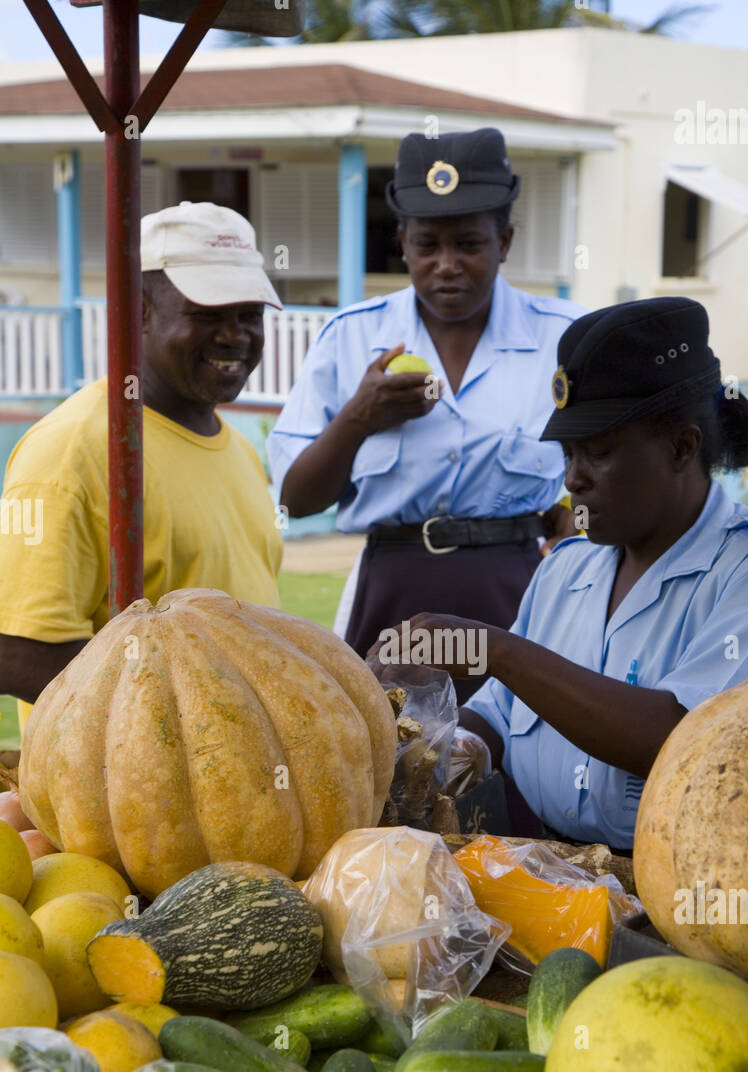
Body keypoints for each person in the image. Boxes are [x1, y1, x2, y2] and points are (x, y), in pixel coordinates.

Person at [385, 297, 748, 850]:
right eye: (568, 454)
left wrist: (495, 649)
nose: (574, 479)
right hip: (552, 870)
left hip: (694, 889)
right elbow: (501, 715)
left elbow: (687, 739)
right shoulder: (568, 569)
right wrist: (456, 749)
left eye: (597, 452)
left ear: (681, 446)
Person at [268, 127, 584, 697]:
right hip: (393, 589)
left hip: (517, 591)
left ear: (504, 241)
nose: (446, 265)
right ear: (402, 243)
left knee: (514, 760)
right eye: (426, 245)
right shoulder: (352, 337)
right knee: (388, 765)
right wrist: (358, 418)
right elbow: (296, 499)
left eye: (468, 243)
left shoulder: (564, 338)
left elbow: (602, 466)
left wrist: (571, 519)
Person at [0, 202, 283, 726]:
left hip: (244, 788)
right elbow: (18, 651)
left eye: (249, 315)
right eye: (207, 314)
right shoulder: (72, 450)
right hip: (128, 798)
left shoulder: (239, 450)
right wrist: (186, 723)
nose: (235, 335)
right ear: (139, 312)